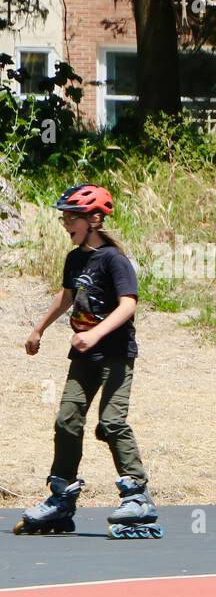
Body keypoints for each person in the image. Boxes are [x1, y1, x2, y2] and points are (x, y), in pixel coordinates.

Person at [17, 184, 162, 539]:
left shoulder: (115, 260)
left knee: (111, 422)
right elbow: (67, 295)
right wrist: (38, 329)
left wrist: (95, 334)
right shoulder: (76, 259)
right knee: (67, 420)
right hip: (83, 356)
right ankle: (61, 497)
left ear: (94, 219)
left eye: (72, 217)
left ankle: (137, 495)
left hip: (115, 354)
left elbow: (128, 304)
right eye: (64, 217)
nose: (66, 223)